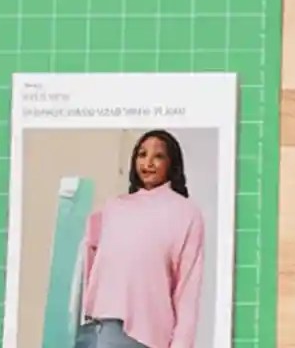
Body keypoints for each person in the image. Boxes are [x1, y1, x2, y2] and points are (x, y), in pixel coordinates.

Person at [76, 130, 205, 348]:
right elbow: (91, 261)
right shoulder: (114, 207)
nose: (148, 162)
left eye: (158, 156)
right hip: (103, 326)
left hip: (151, 334)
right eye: (142, 154)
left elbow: (187, 289)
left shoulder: (186, 213)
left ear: (172, 163)